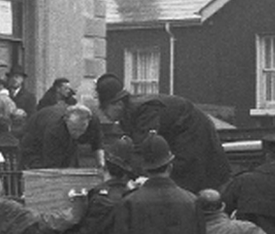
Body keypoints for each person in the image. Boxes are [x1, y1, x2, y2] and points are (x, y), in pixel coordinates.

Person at [96, 73, 230, 193]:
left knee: (181, 175)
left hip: (192, 134)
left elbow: (144, 147)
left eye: (105, 108)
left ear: (118, 104)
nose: (104, 114)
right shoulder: (128, 115)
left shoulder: (145, 110)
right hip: (181, 132)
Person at [19, 104, 105, 169]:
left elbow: (97, 143)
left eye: (82, 130)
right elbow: (52, 163)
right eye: (74, 129)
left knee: (72, 163)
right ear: (66, 120)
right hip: (34, 139)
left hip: (60, 132)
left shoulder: (93, 120)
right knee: (41, 168)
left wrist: (101, 165)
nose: (78, 134)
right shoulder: (54, 129)